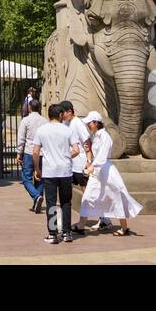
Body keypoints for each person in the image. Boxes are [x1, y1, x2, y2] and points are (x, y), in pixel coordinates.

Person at [78, 111, 143, 236]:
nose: (88, 125)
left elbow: (102, 155)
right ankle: (81, 225)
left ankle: (124, 228)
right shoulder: (96, 135)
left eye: (89, 123)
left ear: (96, 123)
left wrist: (92, 166)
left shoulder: (104, 136)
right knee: (88, 196)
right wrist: (90, 163)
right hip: (98, 171)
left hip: (106, 171)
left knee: (117, 196)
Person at [31, 103, 80, 244]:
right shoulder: (67, 130)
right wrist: (66, 156)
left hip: (49, 171)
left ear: (49, 115)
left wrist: (37, 169)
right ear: (60, 115)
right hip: (65, 171)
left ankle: (53, 234)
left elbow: (35, 151)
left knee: (51, 203)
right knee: (66, 202)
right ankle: (67, 233)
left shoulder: (42, 130)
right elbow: (76, 150)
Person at [60, 100, 92, 234]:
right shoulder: (65, 123)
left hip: (80, 164)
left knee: (88, 193)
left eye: (63, 112)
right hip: (70, 165)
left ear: (69, 111)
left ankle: (99, 219)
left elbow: (87, 141)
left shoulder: (78, 123)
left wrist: (89, 160)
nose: (62, 115)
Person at [16, 98, 48, 212]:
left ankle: (36, 196)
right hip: (42, 152)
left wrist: (19, 153)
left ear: (29, 107)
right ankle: (37, 200)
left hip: (29, 151)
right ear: (39, 108)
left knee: (26, 178)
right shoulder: (45, 121)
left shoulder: (26, 120)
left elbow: (21, 138)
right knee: (40, 177)